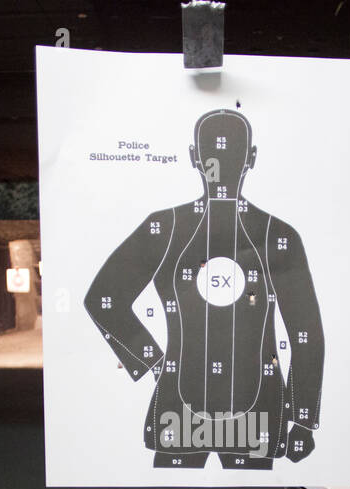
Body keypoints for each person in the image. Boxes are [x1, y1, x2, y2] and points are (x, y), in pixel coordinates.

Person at [84, 109, 324, 470]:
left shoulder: (168, 227)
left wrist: (151, 359)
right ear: (252, 157)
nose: (222, 160)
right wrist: (302, 420)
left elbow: (306, 332)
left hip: (198, 405)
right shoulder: (277, 235)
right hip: (240, 408)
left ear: (194, 156)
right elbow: (306, 334)